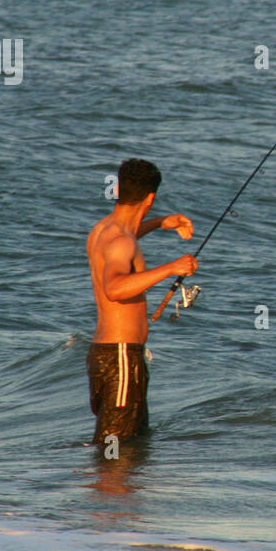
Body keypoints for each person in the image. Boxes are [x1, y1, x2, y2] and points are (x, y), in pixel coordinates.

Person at [84, 158, 198, 443]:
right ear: (150, 197)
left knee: (128, 446)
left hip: (107, 353)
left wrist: (161, 223)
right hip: (121, 357)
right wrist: (171, 268)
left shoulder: (104, 230)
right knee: (117, 451)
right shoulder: (121, 241)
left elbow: (127, 236)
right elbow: (115, 288)